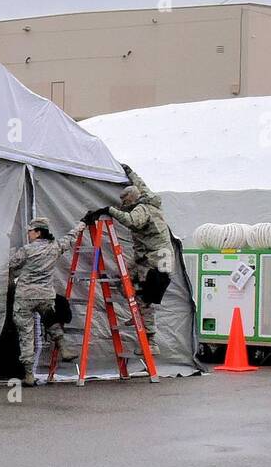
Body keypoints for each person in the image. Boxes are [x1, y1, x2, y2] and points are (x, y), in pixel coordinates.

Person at [84, 164, 174, 350]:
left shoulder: (141, 210)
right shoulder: (149, 200)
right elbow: (141, 184)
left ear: (131, 200)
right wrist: (129, 171)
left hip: (152, 263)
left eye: (125, 203)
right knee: (123, 280)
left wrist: (109, 210)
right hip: (157, 260)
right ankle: (136, 316)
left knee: (143, 298)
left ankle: (150, 342)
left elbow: (132, 221)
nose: (124, 206)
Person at [9, 216, 85, 386]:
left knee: (26, 335)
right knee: (51, 322)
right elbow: (70, 238)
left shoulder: (26, 250)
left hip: (25, 297)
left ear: (37, 232)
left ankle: (29, 374)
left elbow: (10, 264)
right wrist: (82, 224)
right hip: (45, 295)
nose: (28, 234)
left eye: (30, 231)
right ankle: (63, 347)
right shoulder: (55, 247)